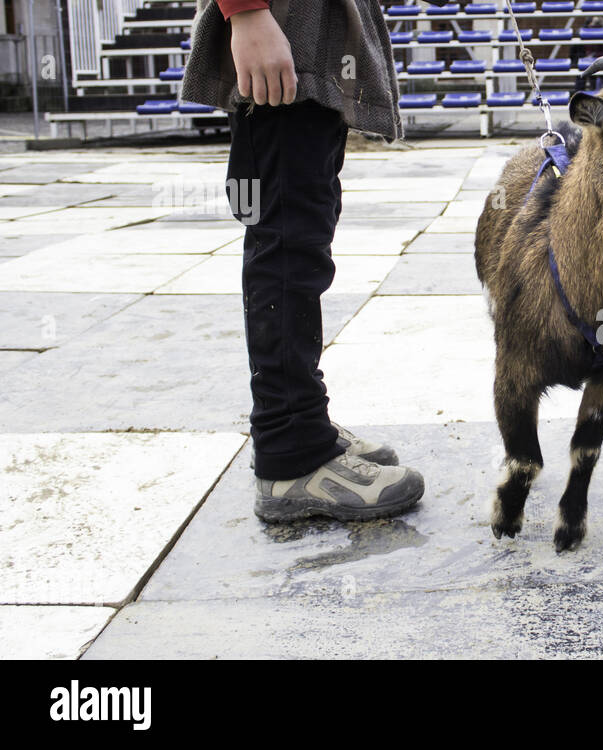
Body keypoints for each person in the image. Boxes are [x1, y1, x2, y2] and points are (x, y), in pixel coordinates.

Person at [181, 0, 425, 522]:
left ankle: (302, 422)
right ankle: (291, 455)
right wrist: (245, 12)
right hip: (281, 26)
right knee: (287, 246)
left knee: (303, 237)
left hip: (306, 35)